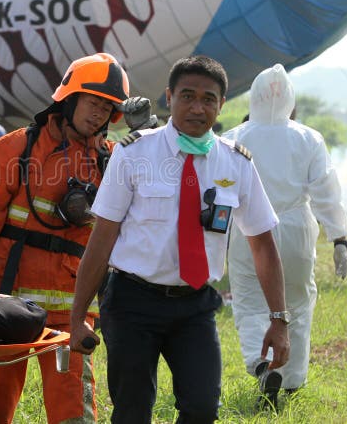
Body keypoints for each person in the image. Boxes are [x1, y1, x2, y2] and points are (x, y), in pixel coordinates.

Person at [70, 55, 290, 424]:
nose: (197, 107)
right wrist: (78, 317)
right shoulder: (133, 153)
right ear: (169, 97)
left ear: (222, 104)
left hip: (195, 307)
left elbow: (263, 245)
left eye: (209, 98)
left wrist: (280, 321)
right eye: (187, 96)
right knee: (132, 411)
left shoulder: (236, 163)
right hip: (132, 302)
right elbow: (101, 240)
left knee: (202, 408)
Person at [0, 52, 150, 424]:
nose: (98, 114)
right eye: (93, 103)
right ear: (70, 98)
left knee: (74, 409)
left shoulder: (112, 160)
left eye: (107, 108)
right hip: (4, 302)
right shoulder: (15, 148)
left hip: (71, 310)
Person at [224, 64, 347, 401]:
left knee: (249, 302)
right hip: (296, 231)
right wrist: (339, 238)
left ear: (254, 97)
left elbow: (217, 194)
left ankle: (262, 366)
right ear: (291, 101)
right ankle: (290, 381)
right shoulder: (309, 138)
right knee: (297, 303)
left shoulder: (234, 138)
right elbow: (326, 191)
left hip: (248, 230)